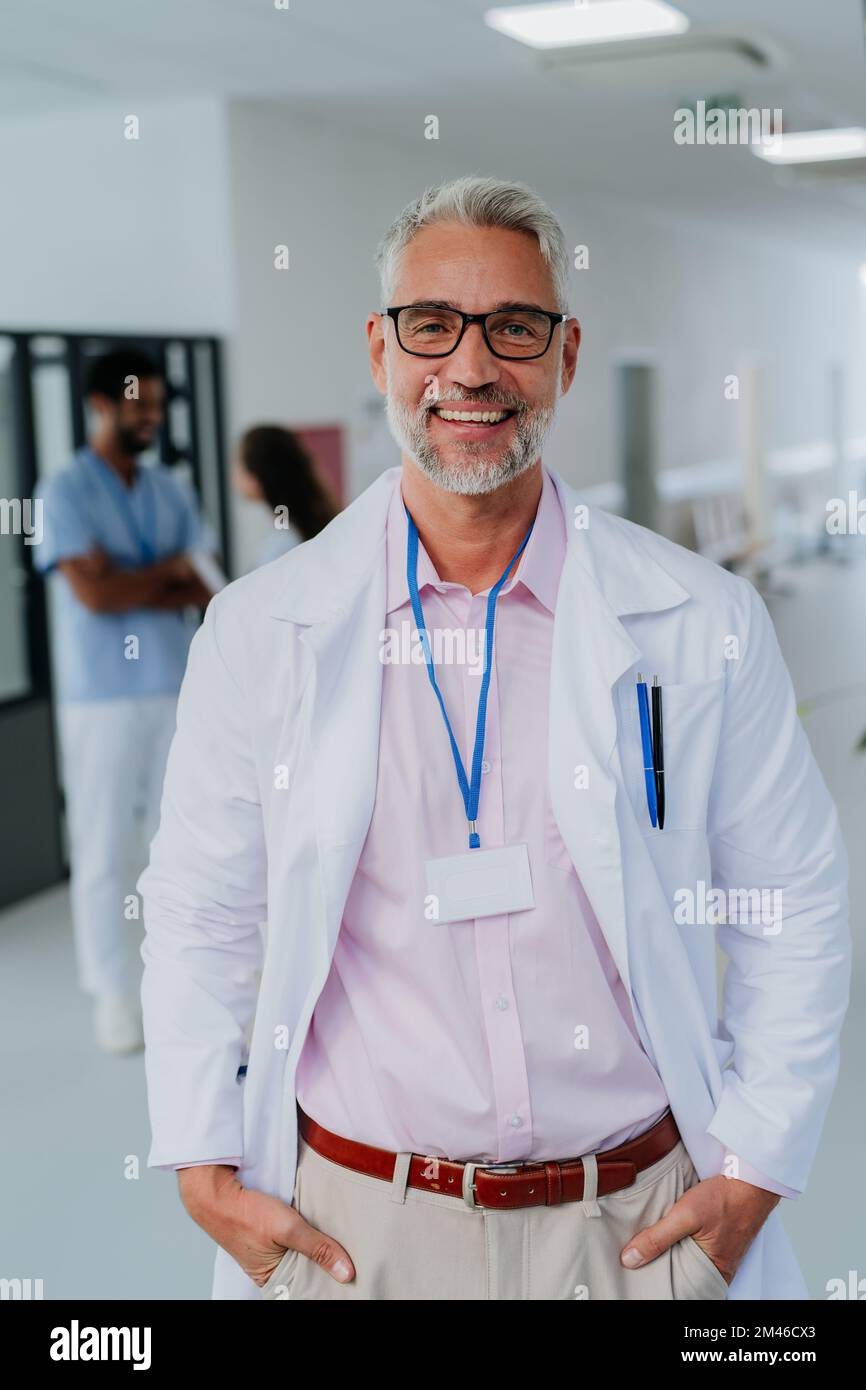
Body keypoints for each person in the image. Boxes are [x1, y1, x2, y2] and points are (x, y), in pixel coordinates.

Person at [138, 177, 850, 1301]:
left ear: (563, 359)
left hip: (635, 1224)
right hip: (358, 1229)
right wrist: (198, 1153)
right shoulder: (261, 631)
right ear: (380, 348)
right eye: (432, 324)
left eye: (514, 327)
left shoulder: (698, 619)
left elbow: (793, 899)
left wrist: (754, 1168)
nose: (470, 368)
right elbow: (199, 908)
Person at [34, 346, 218, 1054]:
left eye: (159, 407)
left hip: (173, 686)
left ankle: (185, 981)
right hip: (100, 698)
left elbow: (203, 588)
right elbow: (94, 595)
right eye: (140, 405)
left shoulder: (171, 490)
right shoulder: (63, 492)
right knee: (104, 846)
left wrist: (140, 577)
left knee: (182, 842)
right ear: (101, 405)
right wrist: (160, 574)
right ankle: (112, 992)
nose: (152, 417)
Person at [230, 424, 338, 570]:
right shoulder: (292, 527)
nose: (233, 475)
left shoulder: (282, 544)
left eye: (238, 464)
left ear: (257, 477)